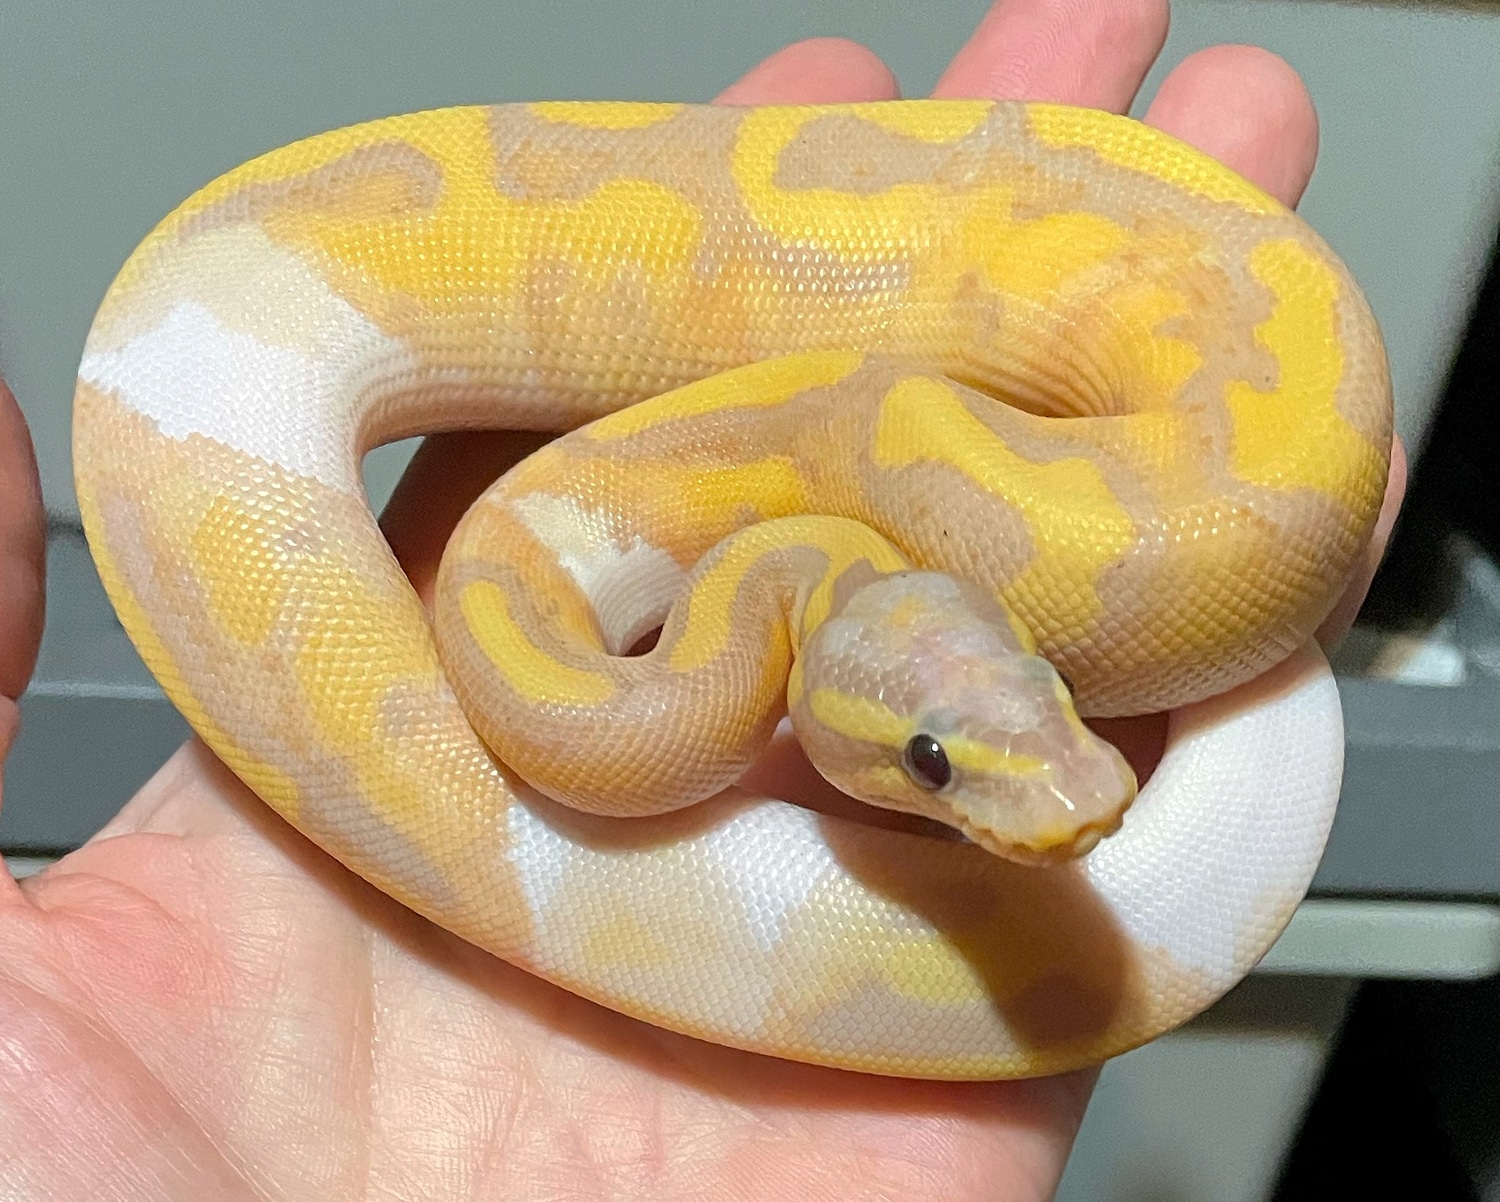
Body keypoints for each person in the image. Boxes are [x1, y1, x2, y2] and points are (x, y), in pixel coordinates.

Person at [0, 0, 1405, 1196]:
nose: (1078, 784)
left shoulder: (749, 585)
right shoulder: (710, 635)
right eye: (936, 761)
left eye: (1045, 686)